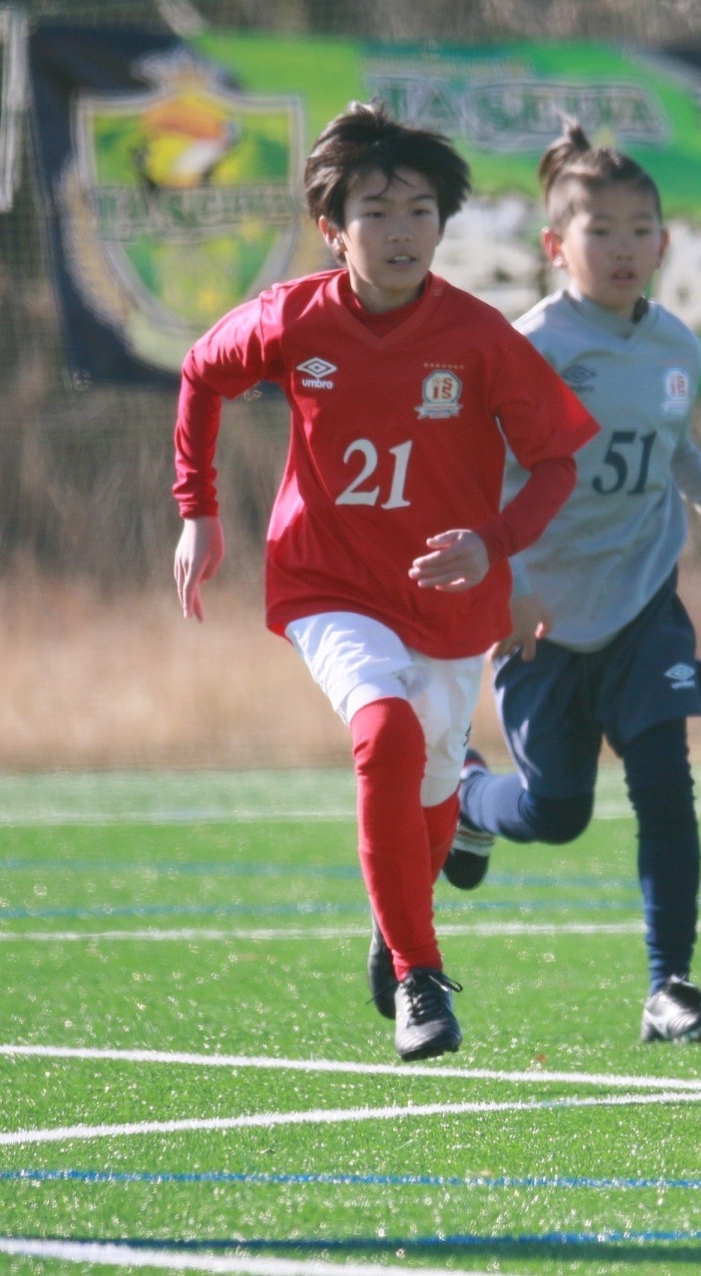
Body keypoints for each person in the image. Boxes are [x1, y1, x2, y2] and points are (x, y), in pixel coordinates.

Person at [171, 103, 599, 1061]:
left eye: (418, 211)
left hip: (450, 604)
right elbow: (201, 372)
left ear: (442, 226)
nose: (400, 230)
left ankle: (396, 911)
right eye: (376, 210)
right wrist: (197, 508)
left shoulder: (479, 337)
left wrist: (493, 545)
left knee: (437, 787)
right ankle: (419, 973)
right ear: (334, 230)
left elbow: (559, 461)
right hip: (327, 581)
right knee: (385, 731)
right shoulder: (293, 318)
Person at [444, 120, 701, 1046]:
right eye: (603, 231)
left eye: (642, 229)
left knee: (665, 784)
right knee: (555, 813)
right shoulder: (530, 346)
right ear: (558, 247)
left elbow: (679, 455)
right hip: (539, 617)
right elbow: (473, 478)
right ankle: (465, 798)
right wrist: (500, 582)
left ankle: (669, 987)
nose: (626, 247)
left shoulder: (677, 346)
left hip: (642, 605)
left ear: (666, 243)